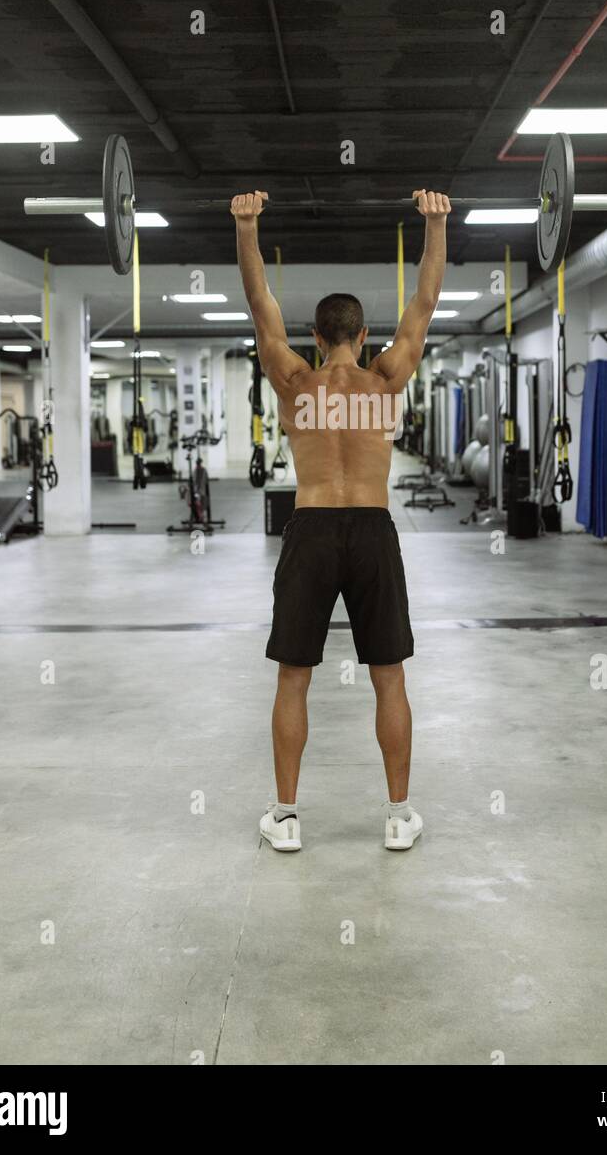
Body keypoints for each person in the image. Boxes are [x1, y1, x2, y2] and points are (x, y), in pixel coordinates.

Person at [232, 188, 450, 851]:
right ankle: (397, 816)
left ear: (315, 338)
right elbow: (425, 302)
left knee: (293, 676)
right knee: (389, 676)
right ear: (363, 336)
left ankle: (287, 819)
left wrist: (248, 226)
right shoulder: (387, 379)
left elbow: (259, 304)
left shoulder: (295, 381)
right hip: (373, 531)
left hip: (313, 528)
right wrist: (437, 224)